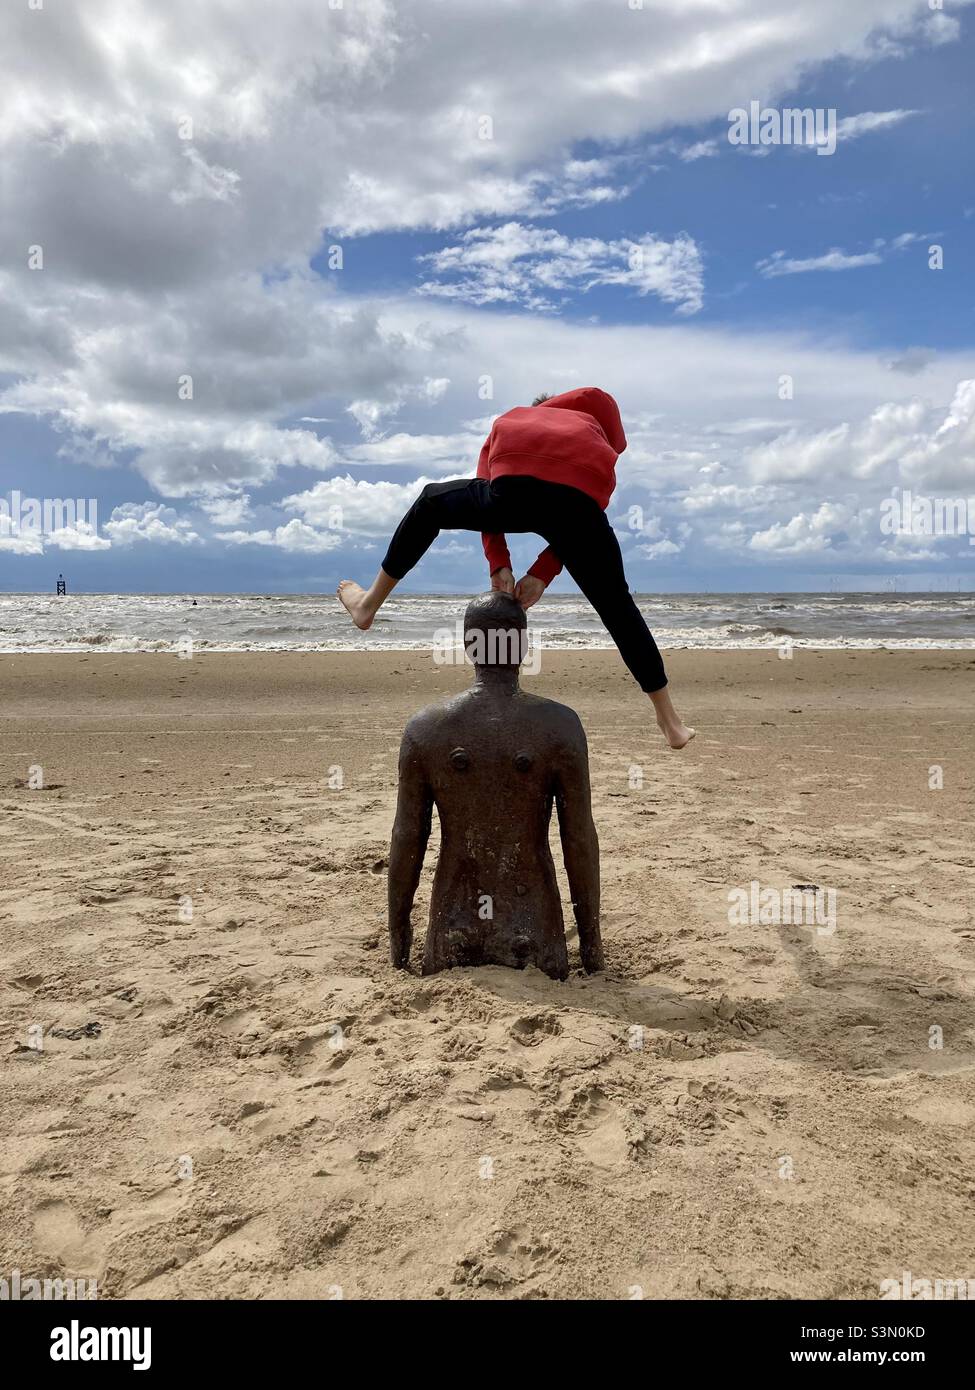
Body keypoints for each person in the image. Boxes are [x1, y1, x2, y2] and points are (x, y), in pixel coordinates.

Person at [338, 386, 694, 748]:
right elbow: (580, 512)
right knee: (618, 609)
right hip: (579, 507)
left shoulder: (516, 418)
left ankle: (368, 606)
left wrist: (499, 564)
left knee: (431, 501)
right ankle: (670, 722)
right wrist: (542, 573)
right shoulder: (594, 427)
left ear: (537, 410)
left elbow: (486, 485)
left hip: (511, 486)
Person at [388, 591, 602, 980]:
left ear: (469, 645)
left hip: (453, 934)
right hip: (535, 937)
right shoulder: (559, 726)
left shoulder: (426, 728)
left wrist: (398, 936)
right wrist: (591, 948)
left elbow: (407, 837)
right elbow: (579, 840)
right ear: (522, 646)